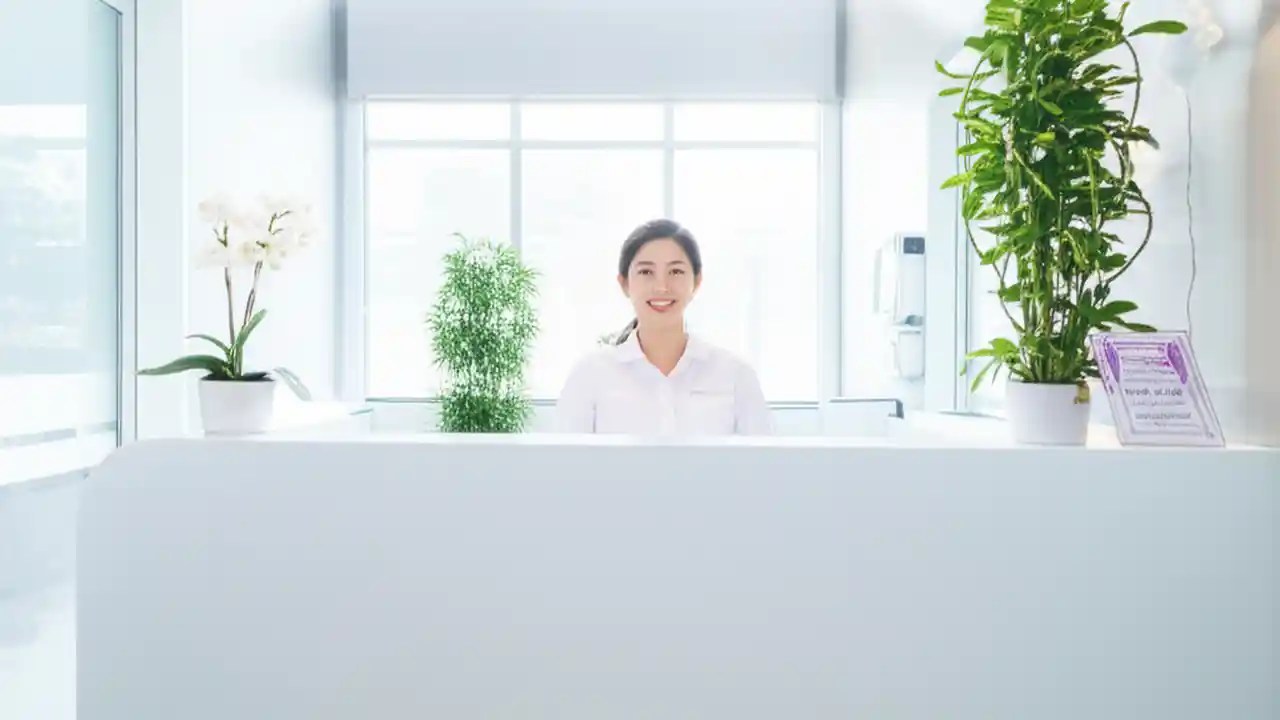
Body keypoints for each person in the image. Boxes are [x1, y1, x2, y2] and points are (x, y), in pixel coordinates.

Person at [555, 219, 772, 435]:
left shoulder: (736, 376)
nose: (661, 287)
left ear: (696, 282)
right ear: (625, 283)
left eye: (675, 272)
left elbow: (764, 455)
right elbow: (565, 456)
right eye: (646, 272)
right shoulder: (589, 375)